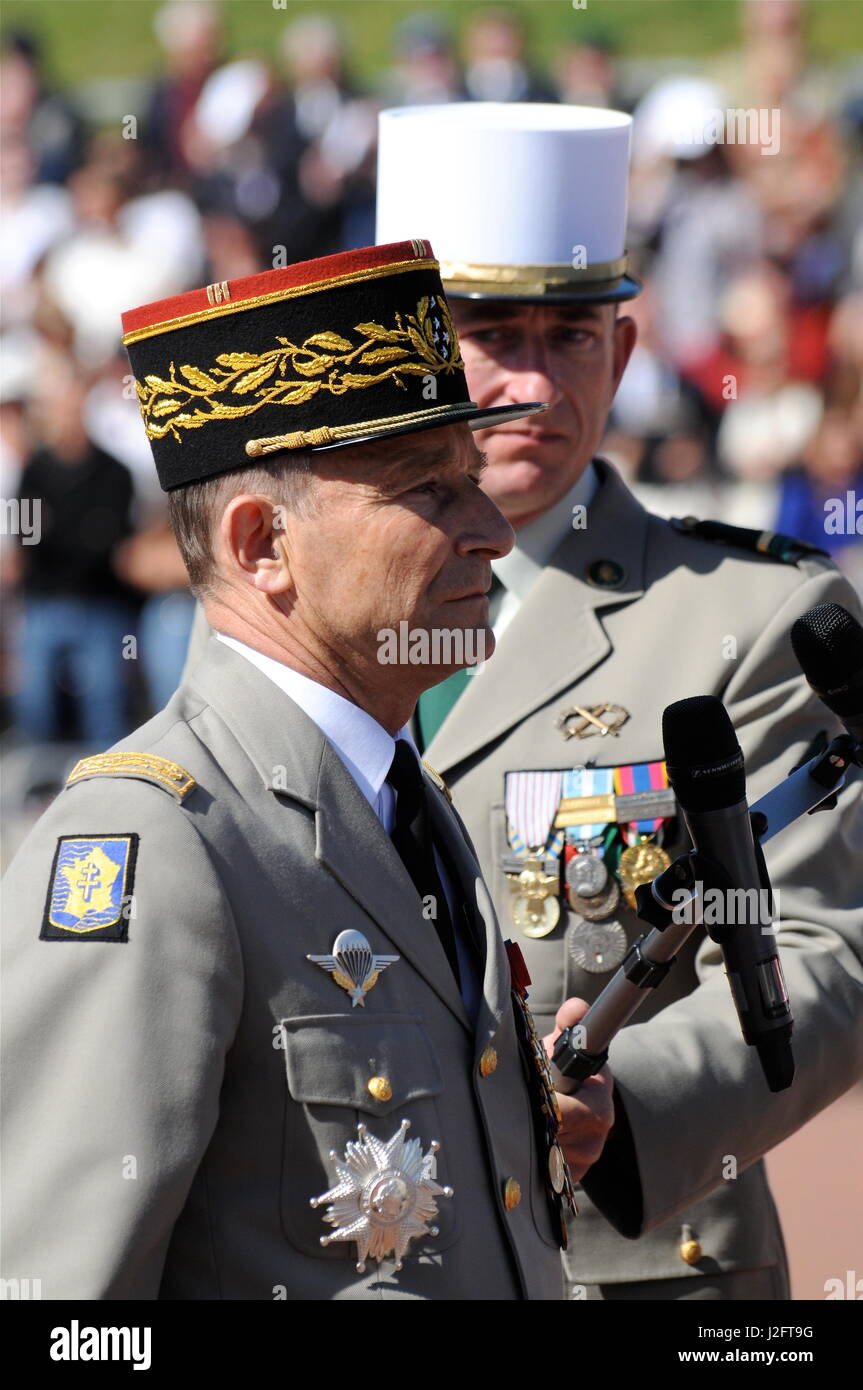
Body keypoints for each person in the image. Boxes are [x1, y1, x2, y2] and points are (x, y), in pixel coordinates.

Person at [0, 240, 614, 1300]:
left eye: (470, 478)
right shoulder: (157, 843)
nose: (490, 531)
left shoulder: (399, 799)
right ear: (261, 545)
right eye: (428, 487)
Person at [372, 104, 863, 1300]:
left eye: (571, 335)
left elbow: (826, 949)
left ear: (627, 352)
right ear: (402, 350)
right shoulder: (294, 601)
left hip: (635, 1269)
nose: (533, 379)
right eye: (489, 332)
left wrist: (625, 1105)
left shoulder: (749, 616)